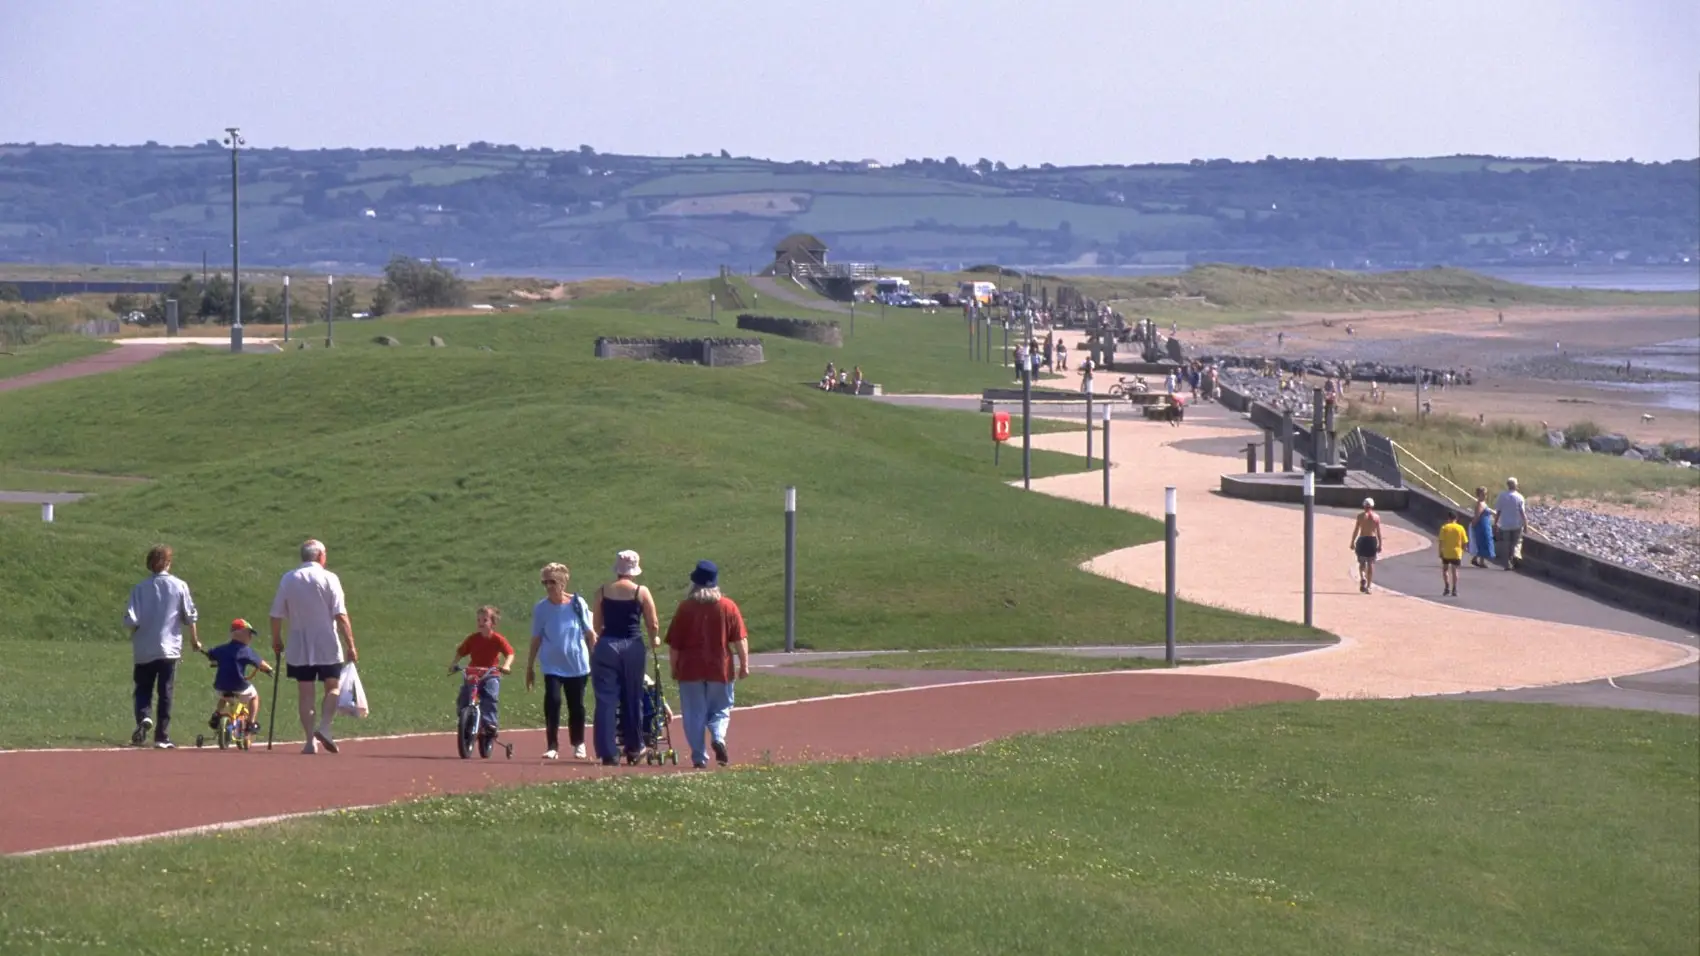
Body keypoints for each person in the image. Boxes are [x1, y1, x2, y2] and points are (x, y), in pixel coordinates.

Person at [270, 539, 358, 755]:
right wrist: (351, 644)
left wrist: (276, 639)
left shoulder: (289, 579)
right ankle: (325, 727)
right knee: (333, 686)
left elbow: (275, 614)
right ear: (320, 556)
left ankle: (310, 741)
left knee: (305, 692)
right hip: (326, 642)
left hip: (299, 643)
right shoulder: (330, 578)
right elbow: (340, 614)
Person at [665, 560, 750, 768]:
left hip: (690, 669)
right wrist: (744, 664)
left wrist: (674, 667)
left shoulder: (685, 608)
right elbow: (740, 639)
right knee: (721, 708)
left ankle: (699, 757)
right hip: (719, 667)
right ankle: (718, 737)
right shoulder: (728, 607)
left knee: (694, 713)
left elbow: (675, 644)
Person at [123, 544, 201, 749]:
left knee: (143, 688)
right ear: (168, 563)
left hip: (144, 647)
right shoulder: (179, 586)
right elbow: (189, 615)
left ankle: (143, 716)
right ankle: (162, 735)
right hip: (170, 647)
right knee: (165, 691)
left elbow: (131, 620)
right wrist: (194, 639)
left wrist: (135, 634)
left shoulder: (139, 588)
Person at [591, 549, 661, 765]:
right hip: (632, 645)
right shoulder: (641, 591)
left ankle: (608, 751)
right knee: (633, 696)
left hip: (607, 644)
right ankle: (634, 746)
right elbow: (653, 623)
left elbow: (596, 624)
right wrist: (654, 639)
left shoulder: (603, 591)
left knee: (605, 699)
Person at [527, 562, 595, 760]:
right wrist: (529, 666)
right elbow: (536, 638)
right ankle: (552, 746)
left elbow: (590, 633)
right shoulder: (541, 608)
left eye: (553, 582)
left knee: (576, 705)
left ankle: (578, 743)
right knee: (553, 701)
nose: (549, 586)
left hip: (576, 664)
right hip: (552, 665)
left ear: (563, 583)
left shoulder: (577, 603)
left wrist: (596, 656)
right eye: (545, 582)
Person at [449, 605, 514, 745]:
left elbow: (509, 653)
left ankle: (490, 724)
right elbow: (461, 651)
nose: (481, 623)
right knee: (464, 696)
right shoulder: (473, 639)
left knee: (490, 696)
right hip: (474, 672)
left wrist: (506, 665)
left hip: (490, 673)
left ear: (493, 622)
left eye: (485, 620)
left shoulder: (497, 639)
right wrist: (454, 663)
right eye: (478, 620)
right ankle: (464, 720)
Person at [204, 619, 273, 732]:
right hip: (239, 686)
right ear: (241, 633)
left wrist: (212, 657)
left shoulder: (222, 649)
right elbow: (260, 663)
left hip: (220, 685)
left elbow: (211, 654)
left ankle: (217, 714)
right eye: (249, 634)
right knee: (254, 696)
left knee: (224, 696)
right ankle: (251, 723)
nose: (250, 637)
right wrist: (269, 669)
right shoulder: (245, 651)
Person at [1494, 477, 1528, 570]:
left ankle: (1508, 563)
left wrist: (1495, 522)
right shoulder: (1520, 497)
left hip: (1505, 524)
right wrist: (1526, 525)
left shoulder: (1502, 496)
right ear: (1516, 485)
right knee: (1516, 542)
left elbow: (1499, 511)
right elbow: (1522, 513)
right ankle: (1515, 555)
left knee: (1506, 544)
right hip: (1517, 524)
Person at [1350, 498, 1383, 593]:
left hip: (1362, 539)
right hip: (1372, 540)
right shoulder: (1376, 517)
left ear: (1364, 506)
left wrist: (1352, 541)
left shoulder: (1360, 516)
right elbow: (1378, 532)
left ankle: (1363, 576)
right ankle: (1369, 586)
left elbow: (1356, 530)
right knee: (1371, 563)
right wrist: (1380, 544)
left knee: (1361, 562)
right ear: (1372, 506)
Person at [1437, 513, 1469, 597]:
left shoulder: (1444, 528)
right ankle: (1454, 589)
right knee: (1455, 571)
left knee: (1445, 570)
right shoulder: (1460, 528)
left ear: (1448, 518)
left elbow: (1441, 541)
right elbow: (1465, 541)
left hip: (1446, 552)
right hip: (1456, 552)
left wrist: (1440, 551)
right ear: (1456, 518)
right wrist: (1463, 550)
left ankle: (1447, 587)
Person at [1468, 486, 1497, 568]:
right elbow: (1477, 516)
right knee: (1483, 541)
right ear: (1479, 494)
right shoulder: (1480, 504)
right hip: (1482, 525)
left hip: (1485, 524)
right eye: (1483, 494)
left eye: (1486, 494)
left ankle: (1476, 559)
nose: (1485, 496)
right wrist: (1473, 525)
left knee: (1484, 541)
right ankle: (1481, 561)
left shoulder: (1483, 503)